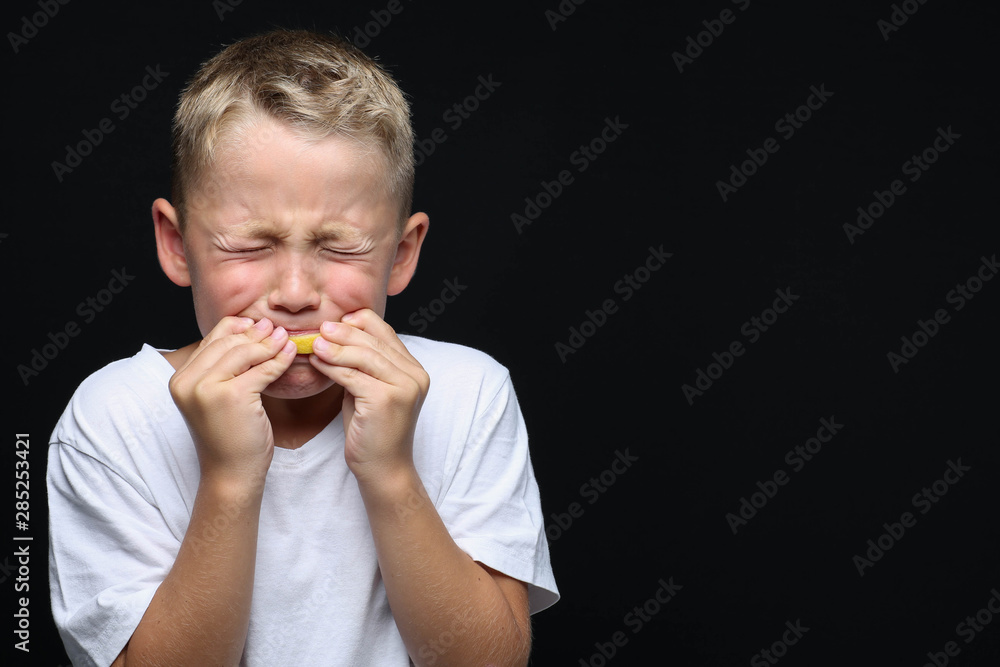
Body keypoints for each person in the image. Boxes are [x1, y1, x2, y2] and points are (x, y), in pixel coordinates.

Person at [47, 28, 559, 666]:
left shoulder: (469, 392)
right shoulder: (110, 418)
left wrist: (392, 473)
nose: (294, 294)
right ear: (177, 246)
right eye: (249, 244)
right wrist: (230, 479)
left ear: (401, 255)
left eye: (340, 246)